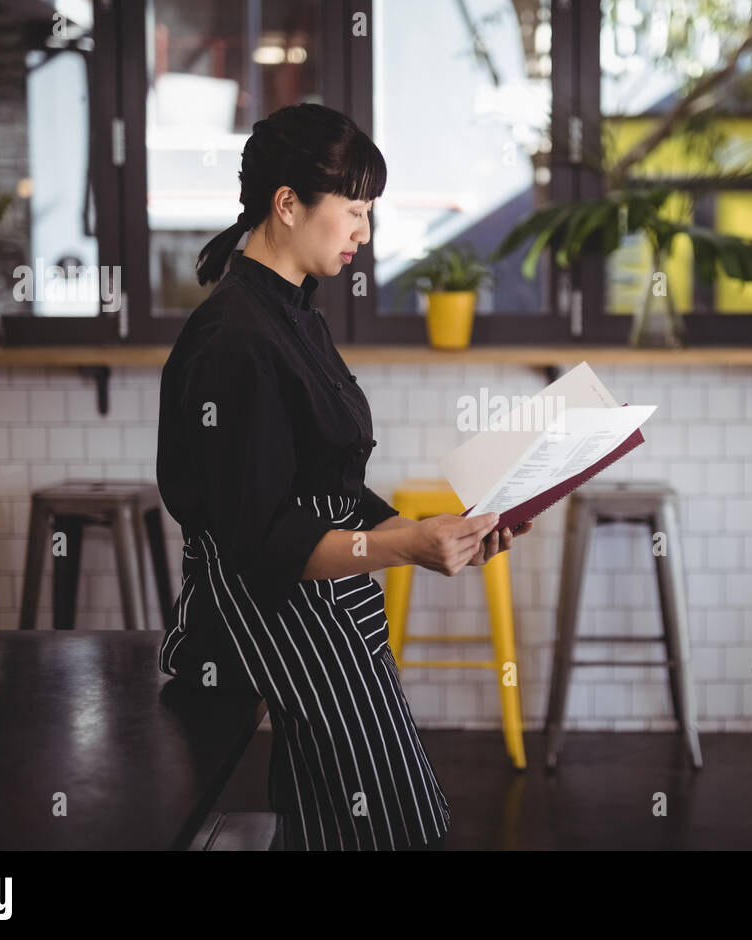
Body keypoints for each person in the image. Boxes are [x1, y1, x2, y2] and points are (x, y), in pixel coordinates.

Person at [155, 102, 532, 851]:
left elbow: (328, 485)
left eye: (370, 212)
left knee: (342, 819)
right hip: (281, 605)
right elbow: (265, 539)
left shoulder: (295, 313)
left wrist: (437, 531)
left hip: (334, 598)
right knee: (391, 821)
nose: (365, 231)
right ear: (287, 204)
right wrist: (404, 548)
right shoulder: (235, 340)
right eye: (355, 210)